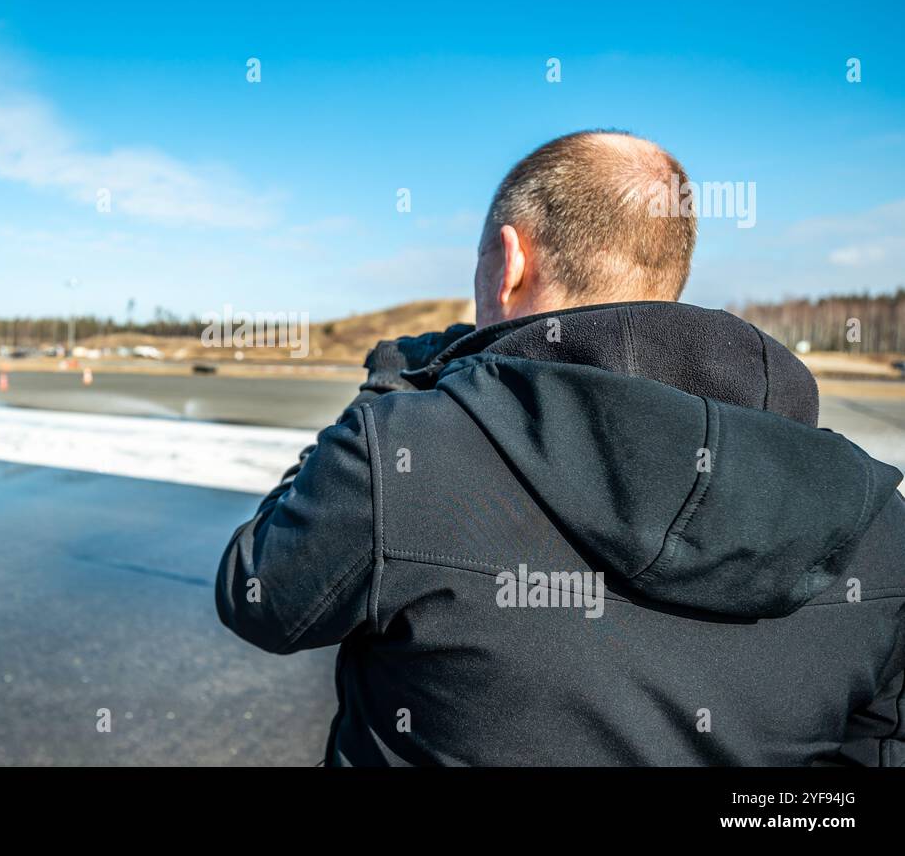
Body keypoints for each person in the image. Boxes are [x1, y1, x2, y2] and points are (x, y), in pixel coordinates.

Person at [214, 130, 905, 765]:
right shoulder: (872, 517)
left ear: (510, 260)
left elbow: (261, 597)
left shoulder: (407, 449)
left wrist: (383, 393)